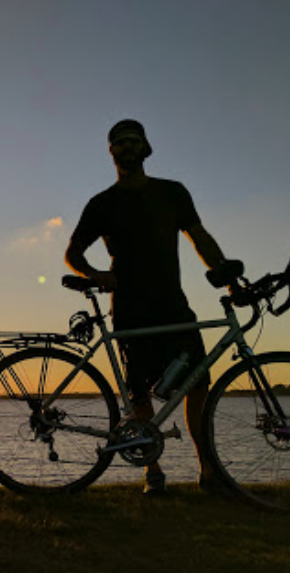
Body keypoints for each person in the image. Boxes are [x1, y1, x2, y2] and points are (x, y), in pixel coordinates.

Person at [65, 119, 231, 495]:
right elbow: (73, 253)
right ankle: (151, 471)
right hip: (129, 307)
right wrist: (95, 274)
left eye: (133, 141)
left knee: (198, 384)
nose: (127, 147)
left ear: (145, 148)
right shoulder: (102, 203)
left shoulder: (172, 192)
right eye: (119, 143)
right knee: (139, 393)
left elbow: (200, 237)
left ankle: (208, 470)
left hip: (173, 303)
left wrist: (225, 274)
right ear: (111, 152)